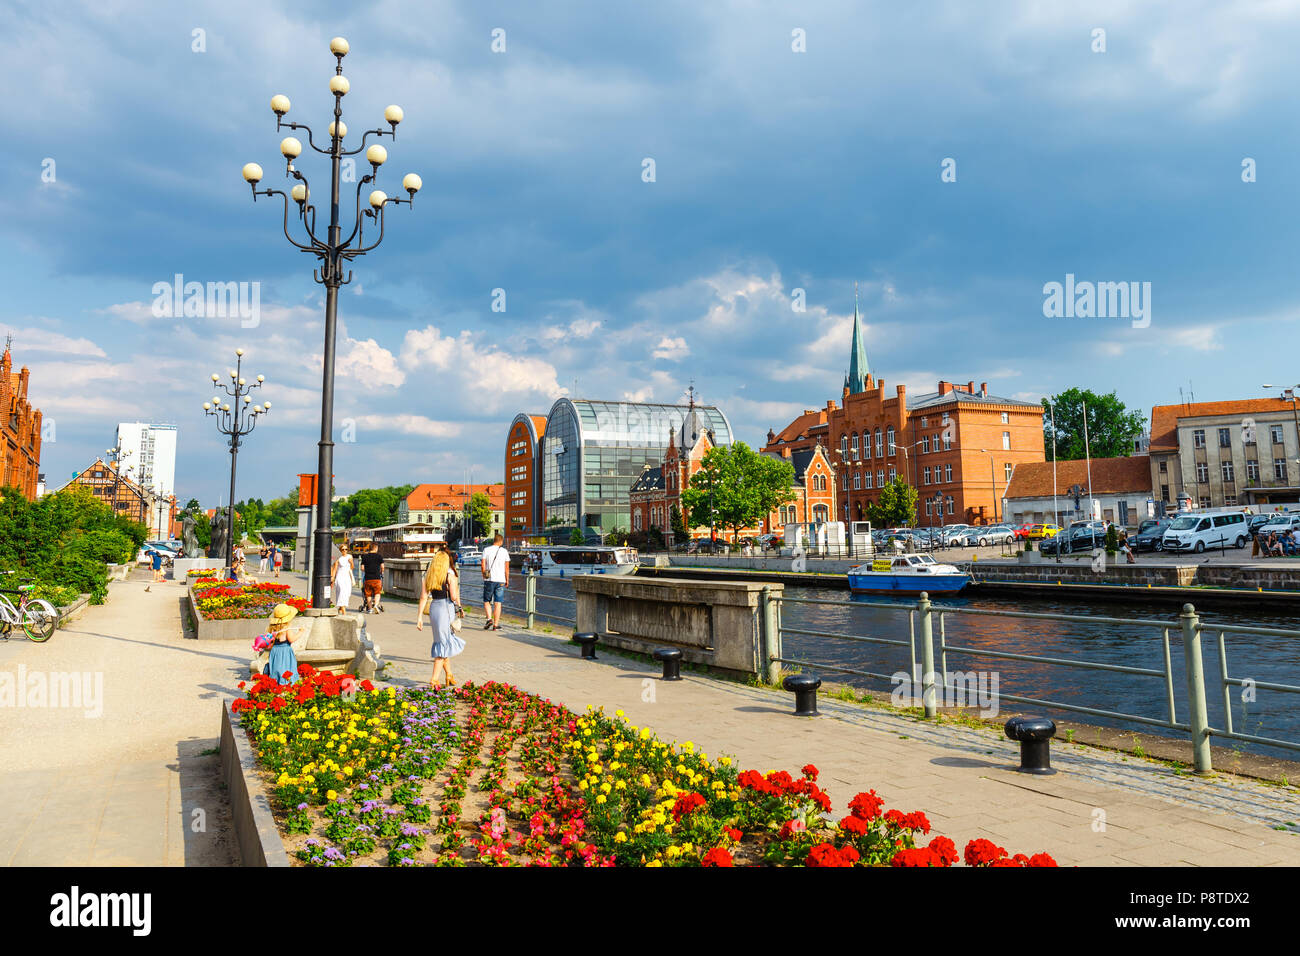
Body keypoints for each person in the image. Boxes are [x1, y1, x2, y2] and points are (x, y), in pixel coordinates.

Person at [416, 546, 464, 687]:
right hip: (446, 608)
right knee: (444, 644)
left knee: (442, 640)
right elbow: (454, 597)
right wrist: (458, 603)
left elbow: (423, 597)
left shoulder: (429, 576)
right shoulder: (450, 575)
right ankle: (434, 679)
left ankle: (449, 675)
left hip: (434, 608)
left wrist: (419, 617)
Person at [263, 603, 309, 686]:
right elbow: (291, 639)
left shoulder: (271, 628)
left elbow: (269, 643)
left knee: (276, 669)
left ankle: (276, 685)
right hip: (285, 651)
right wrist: (300, 632)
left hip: (275, 651)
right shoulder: (286, 627)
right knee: (286, 669)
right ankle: (286, 686)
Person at [480, 533, 509, 631]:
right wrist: (507, 579)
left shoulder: (486, 550)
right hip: (501, 580)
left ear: (494, 540)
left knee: (486, 601)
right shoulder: (504, 551)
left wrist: (484, 576)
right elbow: (507, 568)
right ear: (501, 541)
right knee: (498, 602)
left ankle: (489, 619)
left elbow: (483, 565)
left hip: (489, 579)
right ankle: (496, 625)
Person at [359, 541, 385, 614]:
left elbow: (362, 568)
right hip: (377, 578)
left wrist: (368, 570)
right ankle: (376, 605)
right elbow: (382, 567)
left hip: (368, 578)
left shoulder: (365, 557)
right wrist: (380, 572)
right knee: (377, 593)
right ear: (375, 548)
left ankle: (370, 609)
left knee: (368, 594)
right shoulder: (379, 556)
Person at [331, 544, 354, 615]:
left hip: (347, 577)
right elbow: (335, 569)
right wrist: (333, 577)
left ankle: (341, 608)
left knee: (347, 593)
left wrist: (351, 562)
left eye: (346, 549)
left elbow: (352, 567)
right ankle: (343, 610)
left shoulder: (350, 556)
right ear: (340, 550)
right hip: (340, 576)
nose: (344, 551)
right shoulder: (338, 558)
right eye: (343, 549)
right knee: (341, 592)